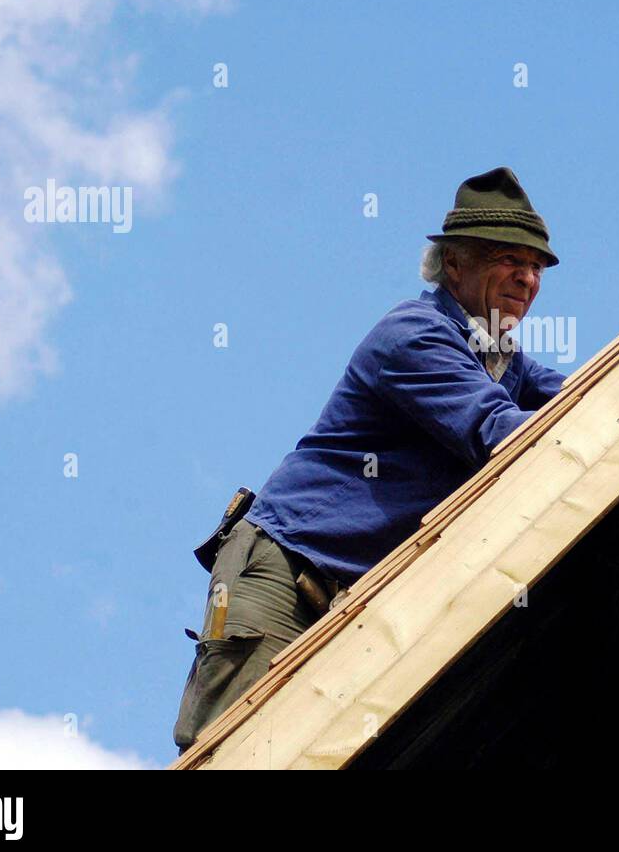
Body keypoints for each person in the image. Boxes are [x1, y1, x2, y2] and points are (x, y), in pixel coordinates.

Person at [172, 166, 566, 752]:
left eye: (536, 266)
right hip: (286, 567)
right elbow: (499, 431)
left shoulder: (503, 358)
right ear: (454, 264)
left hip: (348, 598)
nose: (527, 278)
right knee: (238, 751)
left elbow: (577, 399)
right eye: (509, 259)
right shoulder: (416, 334)